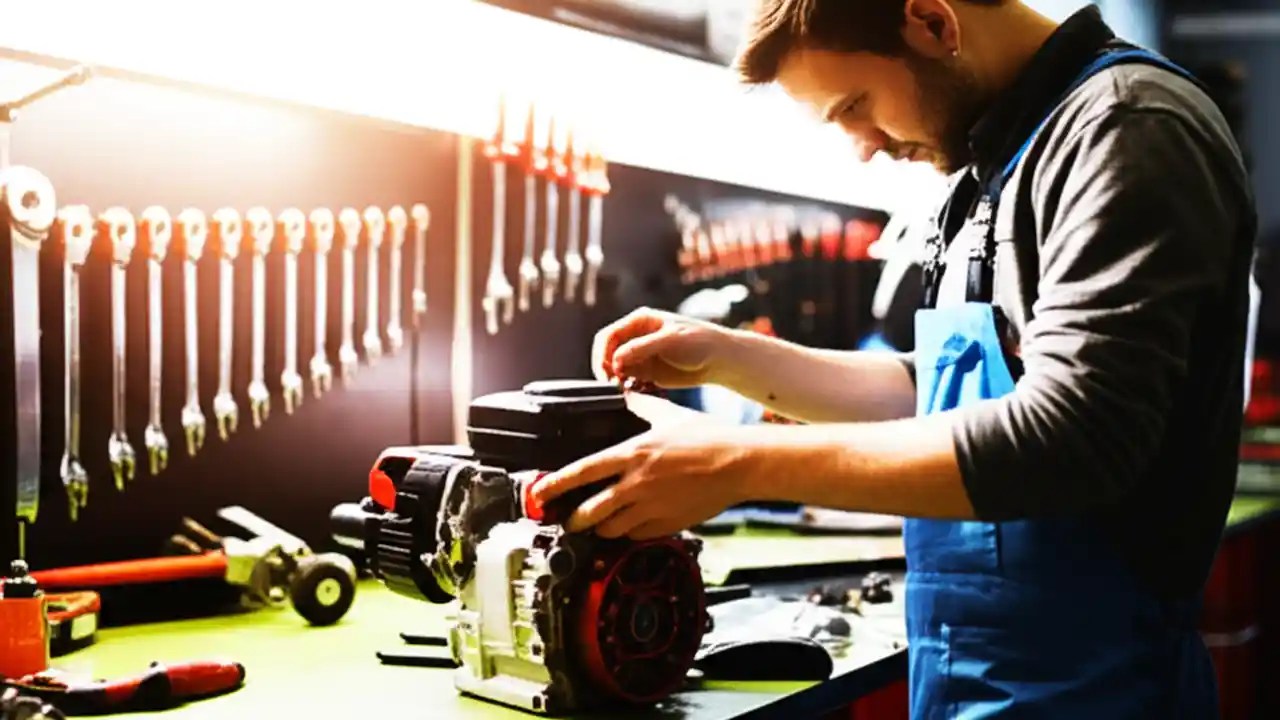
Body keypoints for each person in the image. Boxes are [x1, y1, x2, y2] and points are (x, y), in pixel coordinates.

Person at [532, 1, 1256, 717]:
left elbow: (1072, 439)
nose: (862, 146)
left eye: (855, 105)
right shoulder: (990, 167)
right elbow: (936, 392)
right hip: (975, 681)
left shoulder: (1125, 128)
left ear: (932, 22)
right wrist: (730, 356)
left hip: (1100, 691)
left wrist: (736, 462)